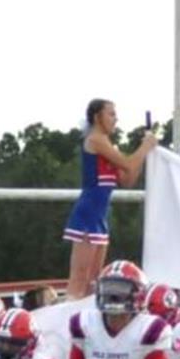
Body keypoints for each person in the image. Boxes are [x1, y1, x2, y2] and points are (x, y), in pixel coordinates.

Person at [64, 99, 157, 299]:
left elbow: (128, 178)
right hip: (88, 214)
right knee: (79, 279)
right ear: (97, 117)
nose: (116, 119)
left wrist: (143, 154)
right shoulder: (96, 140)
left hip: (100, 216)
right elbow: (128, 163)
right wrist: (144, 147)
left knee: (94, 280)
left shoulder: (107, 144)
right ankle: (68, 320)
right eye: (111, 114)